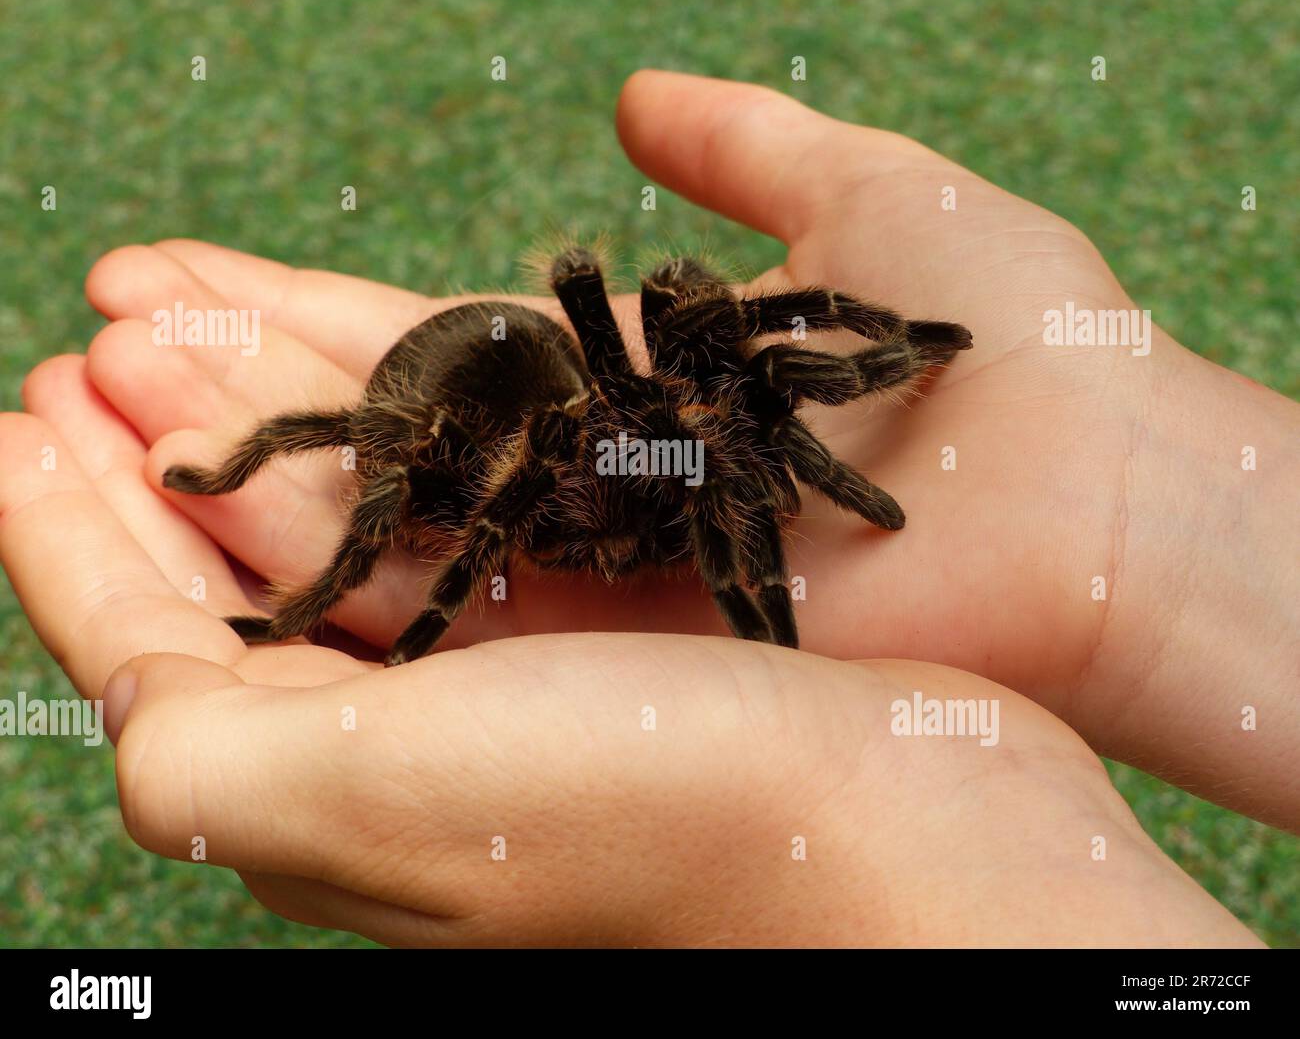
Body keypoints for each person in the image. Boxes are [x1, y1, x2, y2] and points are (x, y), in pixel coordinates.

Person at [1, 70, 1293, 947]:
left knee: (723, 352)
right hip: (494, 407)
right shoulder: (523, 459)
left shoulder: (705, 411)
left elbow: (735, 351)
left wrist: (922, 364)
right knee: (425, 449)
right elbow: (460, 433)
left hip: (562, 396)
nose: (738, 452)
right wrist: (410, 604)